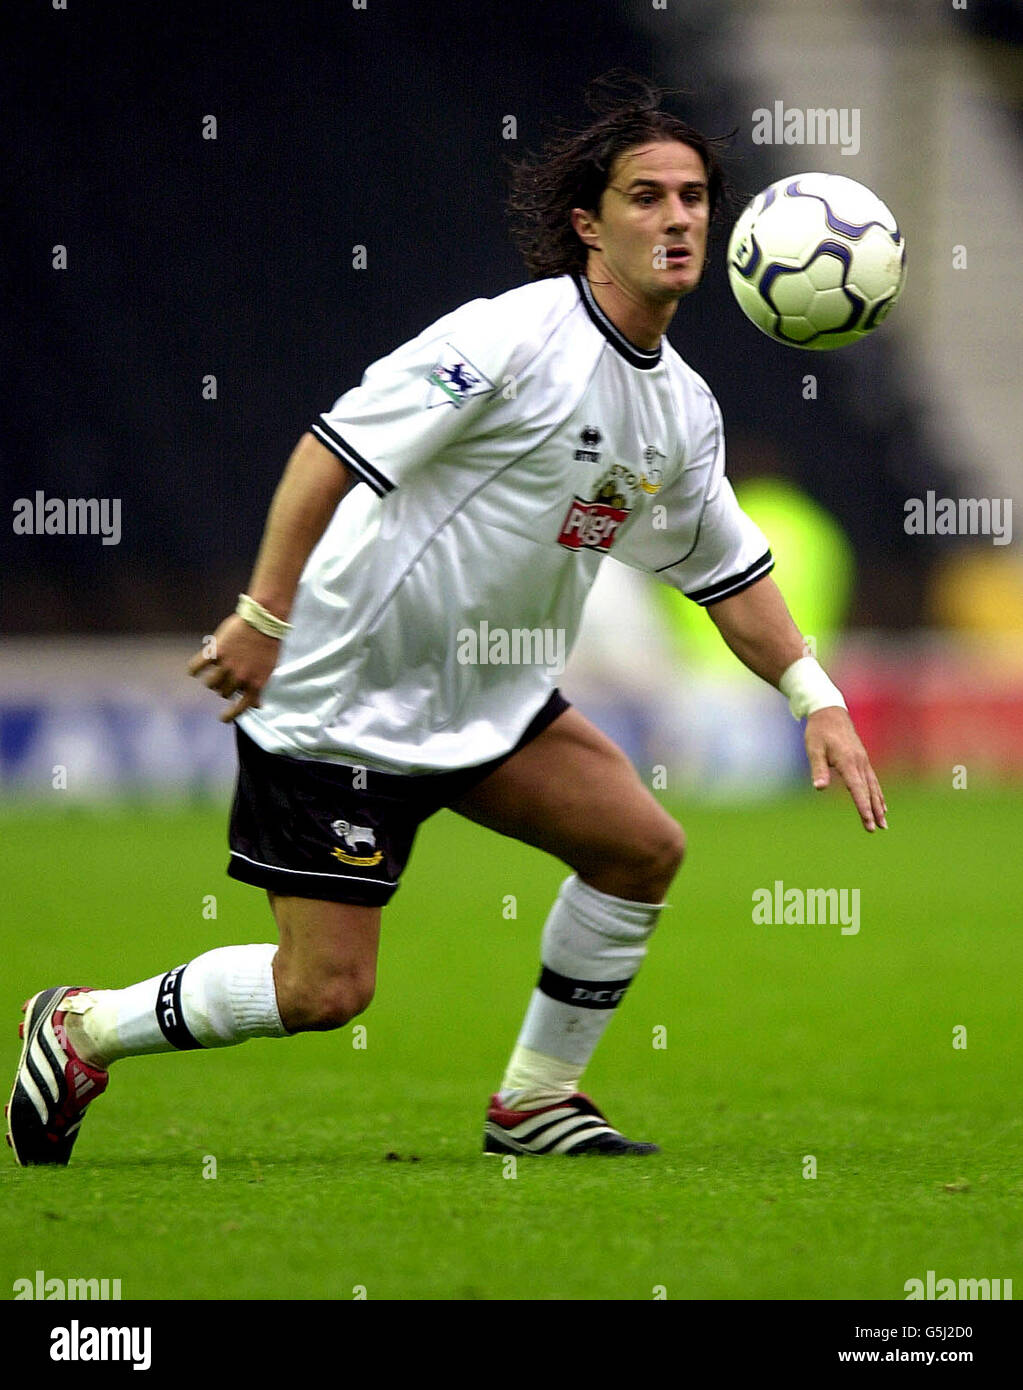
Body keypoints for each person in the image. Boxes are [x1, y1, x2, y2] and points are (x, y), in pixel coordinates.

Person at [7, 79, 886, 1165]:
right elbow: (331, 448)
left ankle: (536, 1100)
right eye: (648, 196)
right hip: (349, 694)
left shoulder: (683, 410)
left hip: (492, 696)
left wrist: (819, 698)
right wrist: (260, 611)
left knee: (639, 846)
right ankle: (82, 1025)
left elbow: (729, 574)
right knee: (323, 991)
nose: (679, 218)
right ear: (589, 222)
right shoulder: (509, 339)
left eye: (696, 197)